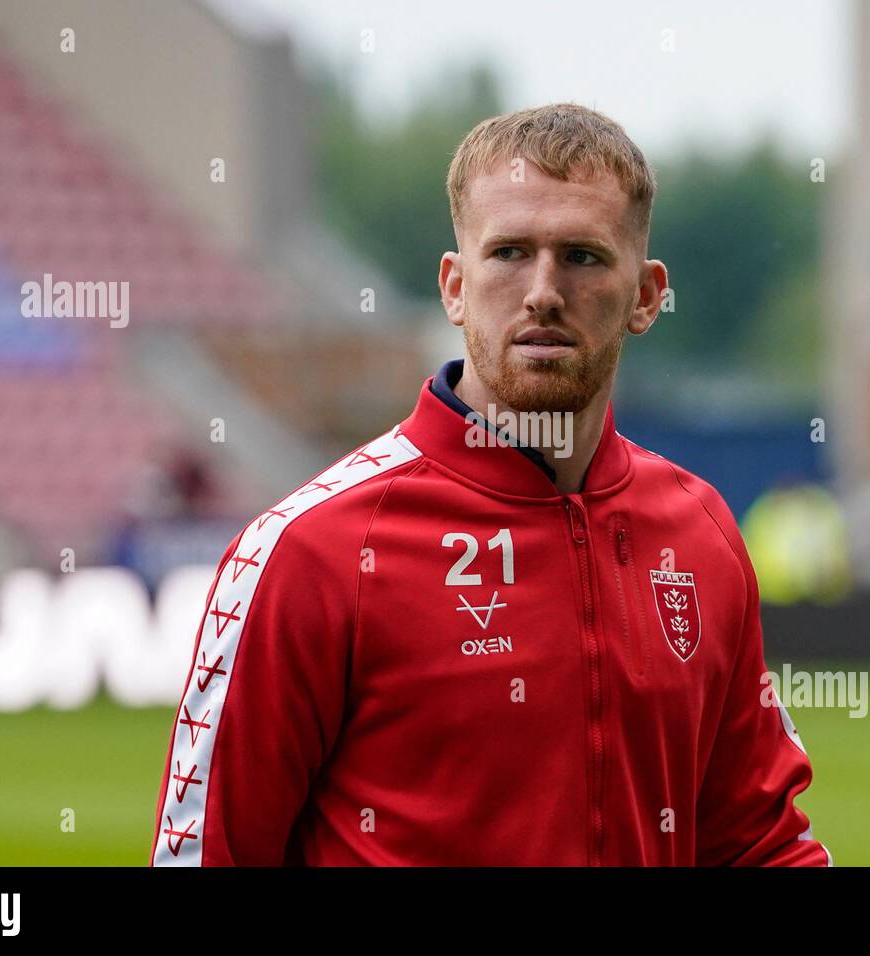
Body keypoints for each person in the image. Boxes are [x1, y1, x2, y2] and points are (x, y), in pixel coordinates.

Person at [150, 103, 832, 866]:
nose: (543, 290)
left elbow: (757, 843)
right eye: (509, 252)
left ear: (645, 295)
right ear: (453, 286)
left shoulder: (697, 530)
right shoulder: (309, 551)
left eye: (582, 256)